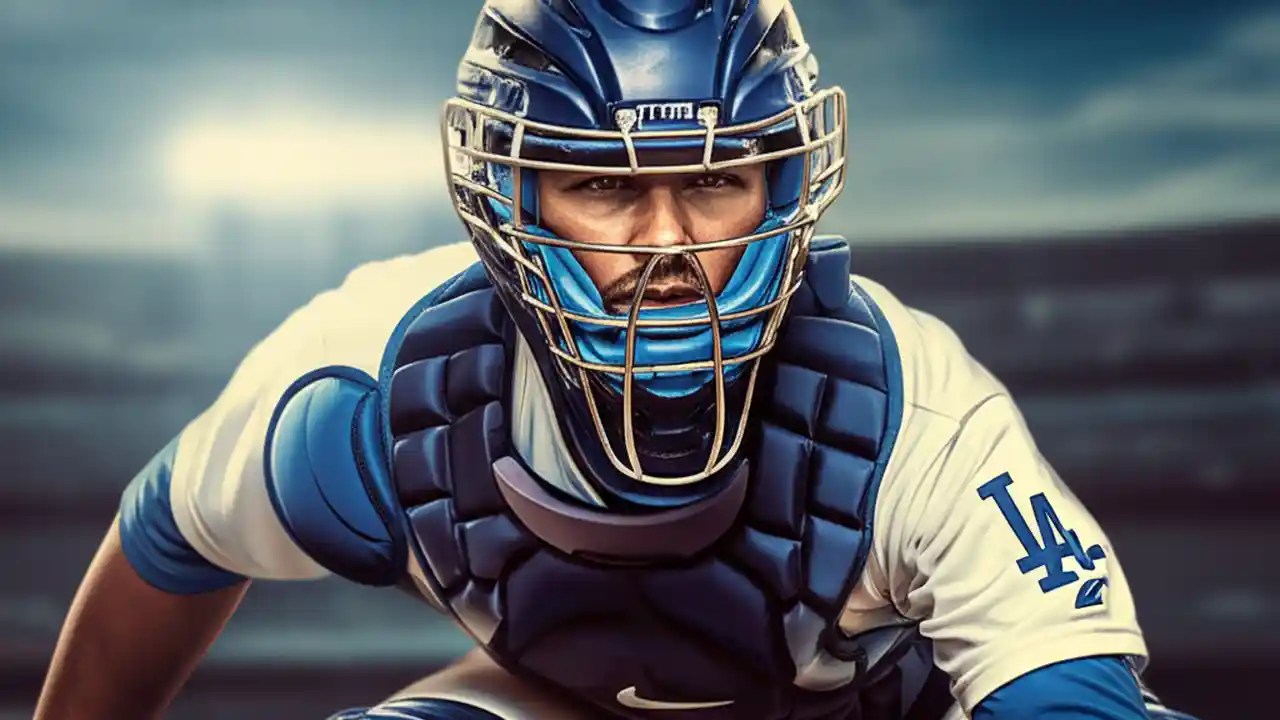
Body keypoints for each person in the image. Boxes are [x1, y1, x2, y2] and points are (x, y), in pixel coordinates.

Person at [36, 2, 1200, 719]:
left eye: (711, 180)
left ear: (784, 185)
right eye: (600, 183)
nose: (665, 247)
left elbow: (1067, 696)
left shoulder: (914, 420)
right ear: (508, 190)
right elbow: (168, 538)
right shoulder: (373, 384)